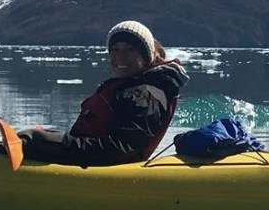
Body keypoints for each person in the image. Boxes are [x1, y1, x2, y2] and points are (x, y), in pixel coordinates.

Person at [14, 20, 188, 166]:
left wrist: (45, 143)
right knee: (38, 137)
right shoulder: (132, 88)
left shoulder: (144, 95)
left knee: (34, 139)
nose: (120, 57)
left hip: (99, 170)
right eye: (115, 49)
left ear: (146, 56)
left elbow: (121, 150)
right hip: (86, 162)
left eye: (130, 49)